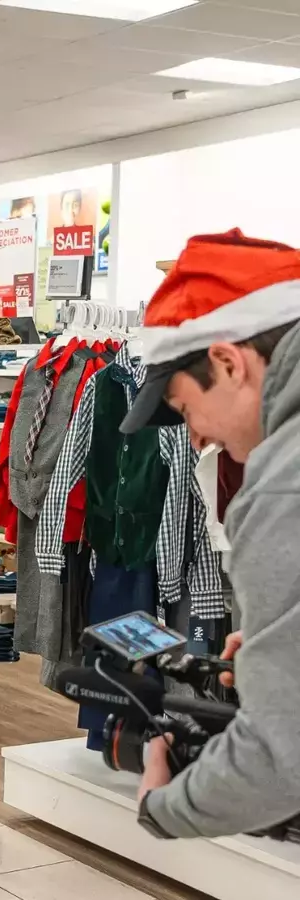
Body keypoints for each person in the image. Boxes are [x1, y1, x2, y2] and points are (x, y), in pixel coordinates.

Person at [120, 230, 300, 841]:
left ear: (227, 362)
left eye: (183, 407)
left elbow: (283, 754)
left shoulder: (281, 484)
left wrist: (165, 805)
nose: (196, 439)